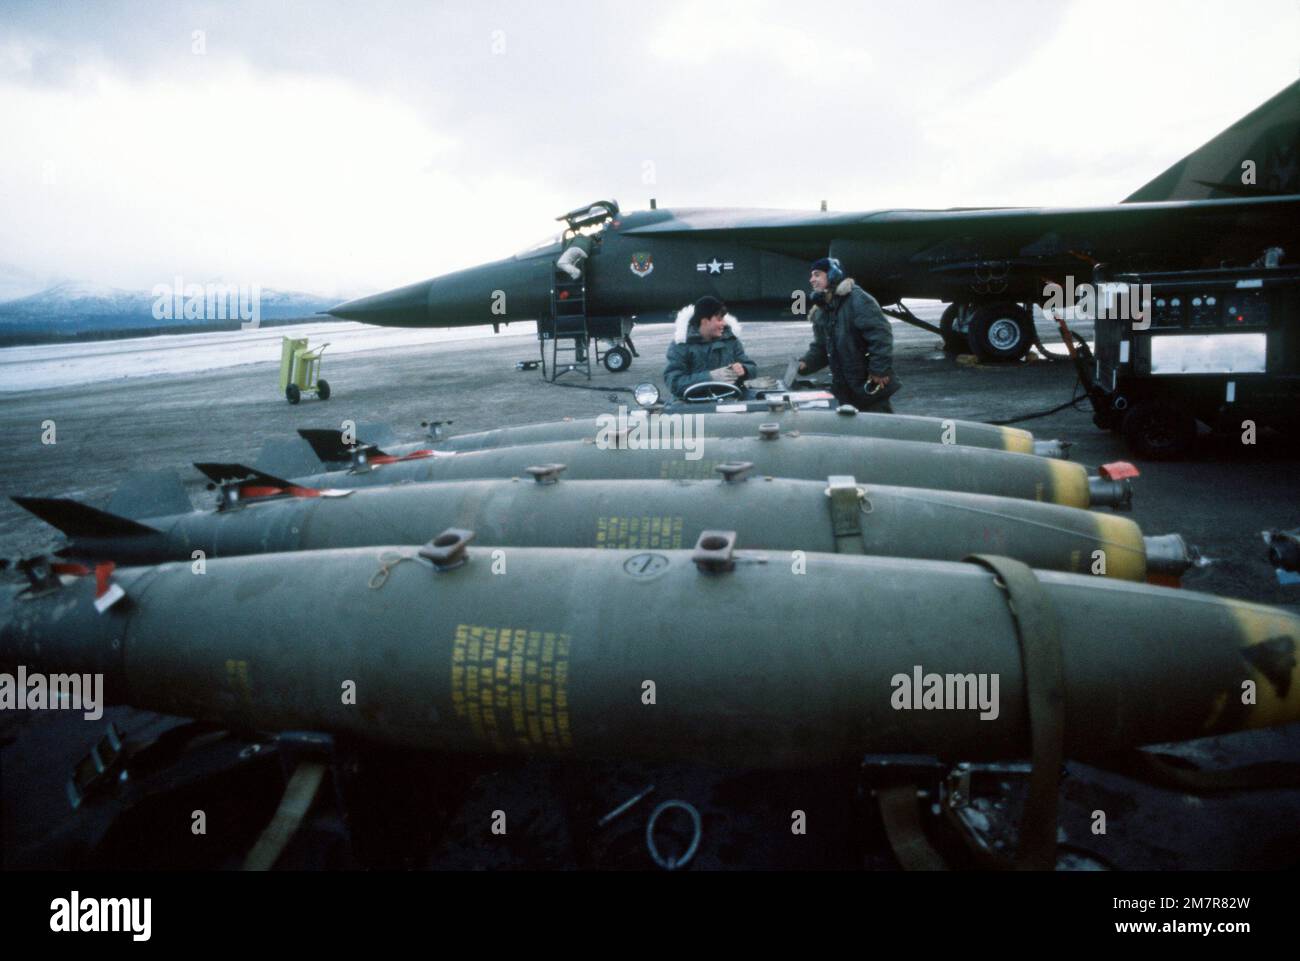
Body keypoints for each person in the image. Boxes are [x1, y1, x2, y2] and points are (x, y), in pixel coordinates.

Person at [797, 256, 897, 412]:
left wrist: (879, 370)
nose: (811, 279)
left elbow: (881, 335)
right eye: (811, 275)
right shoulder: (823, 310)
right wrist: (805, 363)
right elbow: (822, 347)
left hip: (867, 383)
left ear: (832, 274)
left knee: (878, 426)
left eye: (817, 274)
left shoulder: (858, 300)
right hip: (843, 387)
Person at [663, 296, 757, 398]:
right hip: (693, 403)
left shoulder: (730, 340)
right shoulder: (681, 345)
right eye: (719, 319)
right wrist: (710, 377)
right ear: (705, 321)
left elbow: (751, 367)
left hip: (730, 398)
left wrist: (743, 370)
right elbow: (674, 383)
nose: (724, 324)